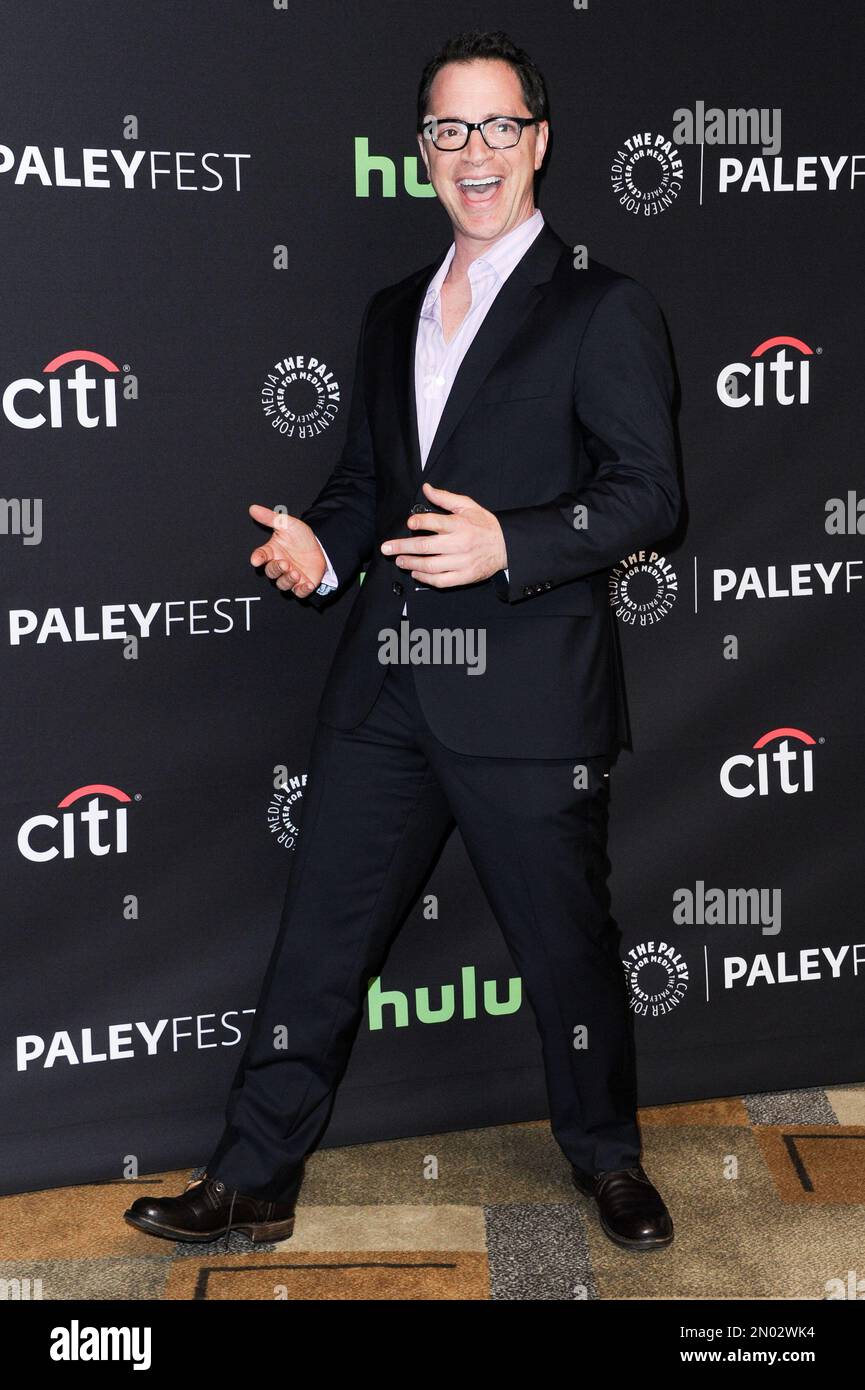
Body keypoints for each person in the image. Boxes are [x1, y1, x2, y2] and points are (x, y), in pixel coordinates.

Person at [125, 28, 679, 1253]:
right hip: (387, 687)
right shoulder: (393, 313)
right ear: (420, 150)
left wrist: (514, 543)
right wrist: (319, 550)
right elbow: (368, 483)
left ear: (538, 140)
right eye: (447, 129)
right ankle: (253, 1176)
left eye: (495, 127)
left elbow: (650, 495)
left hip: (530, 695)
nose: (471, 153)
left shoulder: (602, 306)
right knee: (318, 935)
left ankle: (608, 1158)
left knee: (567, 948)